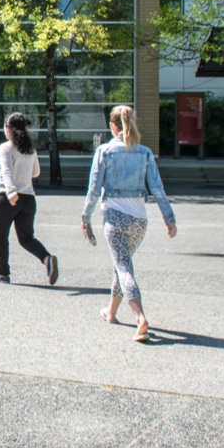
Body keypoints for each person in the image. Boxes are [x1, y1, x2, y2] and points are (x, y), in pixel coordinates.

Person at [81, 105, 177, 342]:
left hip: (114, 218)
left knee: (123, 267)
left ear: (112, 126)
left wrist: (86, 218)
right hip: (139, 221)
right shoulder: (144, 152)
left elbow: (94, 189)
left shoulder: (104, 151)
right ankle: (111, 312)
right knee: (121, 263)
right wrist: (169, 218)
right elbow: (157, 188)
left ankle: (140, 318)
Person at [0, 113, 58, 285]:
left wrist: (11, 192)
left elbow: (6, 171)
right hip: (28, 198)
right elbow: (36, 173)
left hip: (7, 198)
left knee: (1, 237)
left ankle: (3, 274)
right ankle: (47, 258)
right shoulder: (31, 148)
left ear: (8, 128)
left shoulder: (6, 148)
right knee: (26, 238)